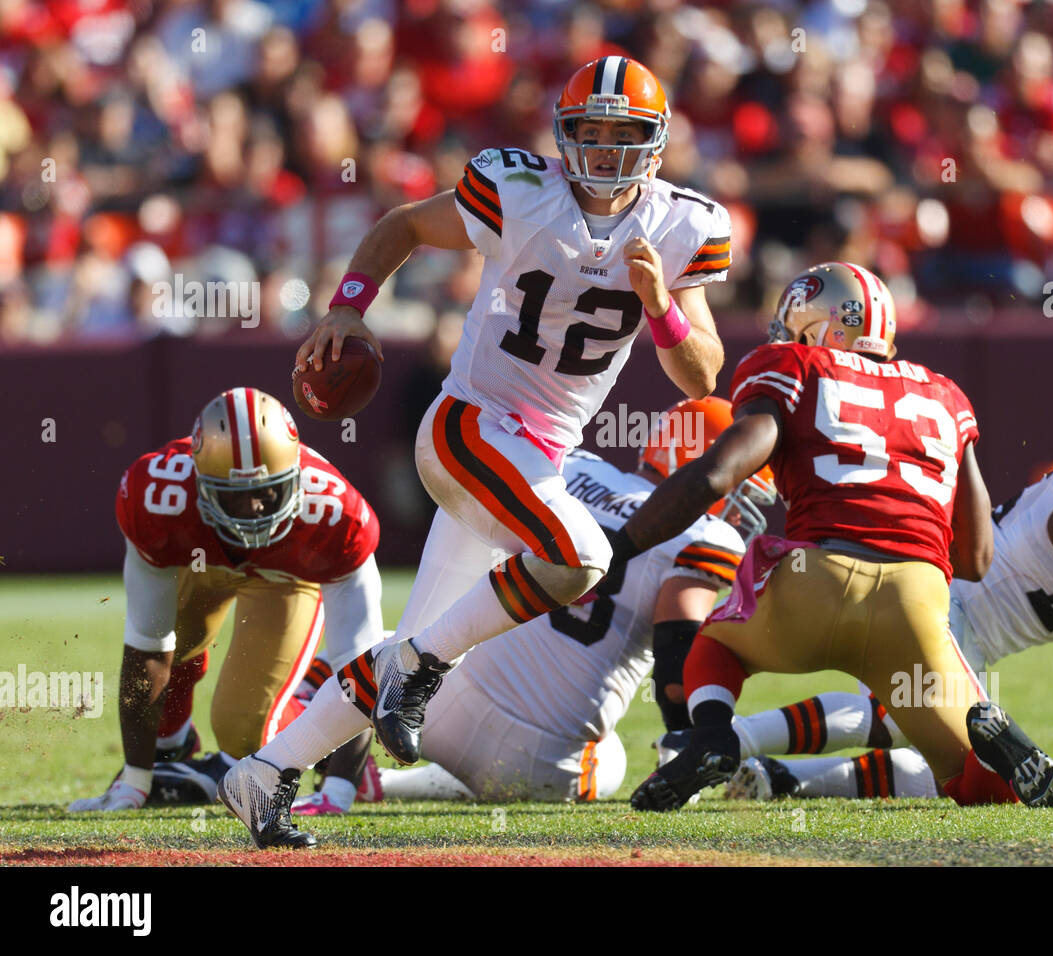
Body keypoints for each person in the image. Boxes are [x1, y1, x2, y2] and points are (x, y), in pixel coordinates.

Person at [220, 56, 732, 847]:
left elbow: (700, 374)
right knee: (580, 556)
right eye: (587, 132)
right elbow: (404, 226)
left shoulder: (680, 225)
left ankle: (262, 774)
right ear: (564, 135)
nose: (601, 149)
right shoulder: (522, 194)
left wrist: (661, 303)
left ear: (654, 143)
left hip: (539, 454)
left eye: (619, 134)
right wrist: (349, 308)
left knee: (412, 647)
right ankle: (416, 668)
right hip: (471, 423)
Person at [601, 261, 1053, 811]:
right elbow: (978, 558)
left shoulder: (791, 364)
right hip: (915, 598)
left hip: (815, 577)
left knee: (716, 645)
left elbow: (718, 474)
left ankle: (712, 735)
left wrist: (621, 548)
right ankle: (994, 740)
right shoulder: (945, 393)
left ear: (819, 324)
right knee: (975, 786)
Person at [722, 393, 1053, 800]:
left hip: (973, 632)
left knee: (943, 771)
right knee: (900, 715)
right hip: (940, 600)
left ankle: (774, 779)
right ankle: (726, 740)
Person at [293, 399, 775, 821]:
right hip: (540, 765)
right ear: (701, 462)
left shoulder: (573, 467)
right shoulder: (706, 536)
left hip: (445, 708)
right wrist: (684, 746)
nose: (739, 512)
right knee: (611, 759)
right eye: (741, 491)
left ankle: (276, 748)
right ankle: (386, 782)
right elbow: (675, 673)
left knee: (383, 653)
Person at [68, 388, 384, 815]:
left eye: (267, 493)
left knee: (243, 731)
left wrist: (339, 790)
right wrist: (135, 783)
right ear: (200, 482)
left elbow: (359, 665)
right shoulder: (157, 498)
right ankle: (170, 751)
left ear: (294, 478)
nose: (253, 510)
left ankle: (309, 699)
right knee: (171, 652)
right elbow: (147, 643)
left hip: (286, 575)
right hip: (202, 559)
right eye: (234, 496)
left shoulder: (335, 515)